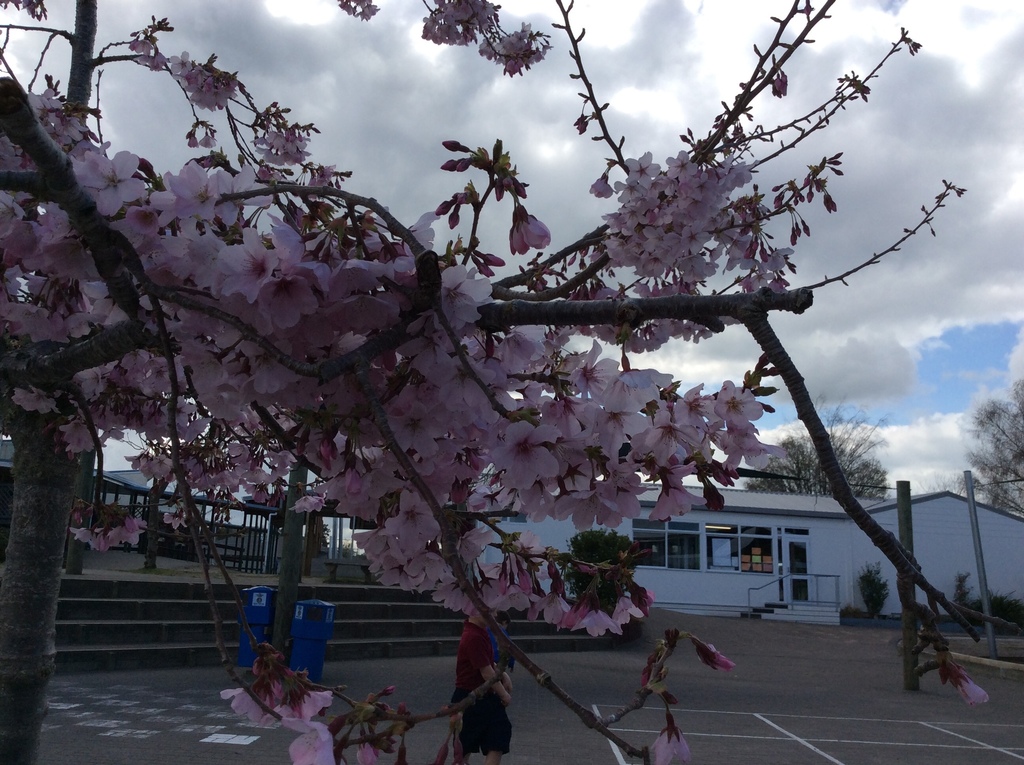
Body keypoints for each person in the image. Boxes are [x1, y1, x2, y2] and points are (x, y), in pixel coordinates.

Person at [451, 613, 512, 765]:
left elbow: (488, 661)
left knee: (498, 737)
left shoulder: (481, 631)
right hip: (468, 698)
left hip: (486, 697)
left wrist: (503, 674)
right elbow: (486, 672)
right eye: (490, 610)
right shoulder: (473, 636)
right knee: (464, 748)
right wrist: (504, 694)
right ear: (474, 610)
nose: (495, 615)